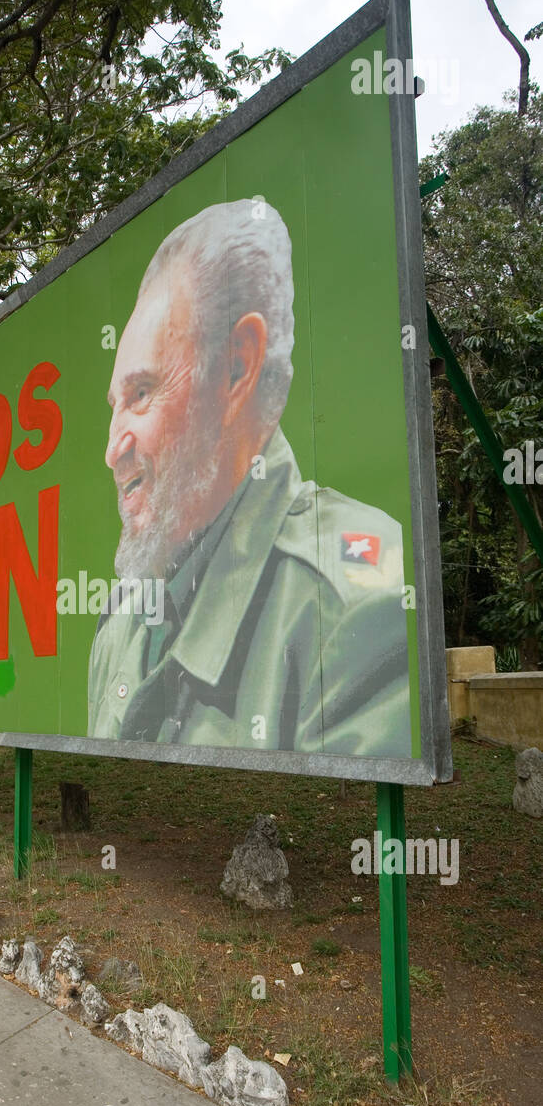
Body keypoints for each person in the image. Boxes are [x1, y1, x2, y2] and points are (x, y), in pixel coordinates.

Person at [87, 198, 412, 756]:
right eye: (115, 404)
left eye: (142, 394)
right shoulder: (120, 620)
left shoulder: (350, 607)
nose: (112, 450)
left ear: (237, 368)